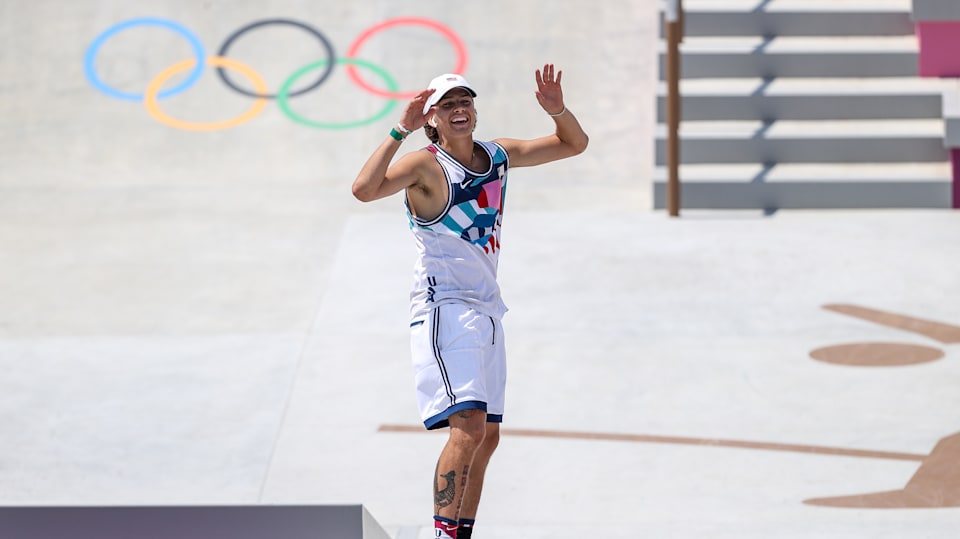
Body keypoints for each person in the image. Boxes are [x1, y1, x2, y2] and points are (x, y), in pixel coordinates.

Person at [352, 64, 588, 539]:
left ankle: (459, 533)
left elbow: (573, 144)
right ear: (433, 118)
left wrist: (557, 110)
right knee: (468, 428)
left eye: (465, 102)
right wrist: (401, 129)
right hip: (447, 307)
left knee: (489, 435)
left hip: (487, 308)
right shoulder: (425, 164)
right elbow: (364, 190)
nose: (459, 110)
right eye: (447, 105)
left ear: (474, 111)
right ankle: (441, 534)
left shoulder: (496, 155)